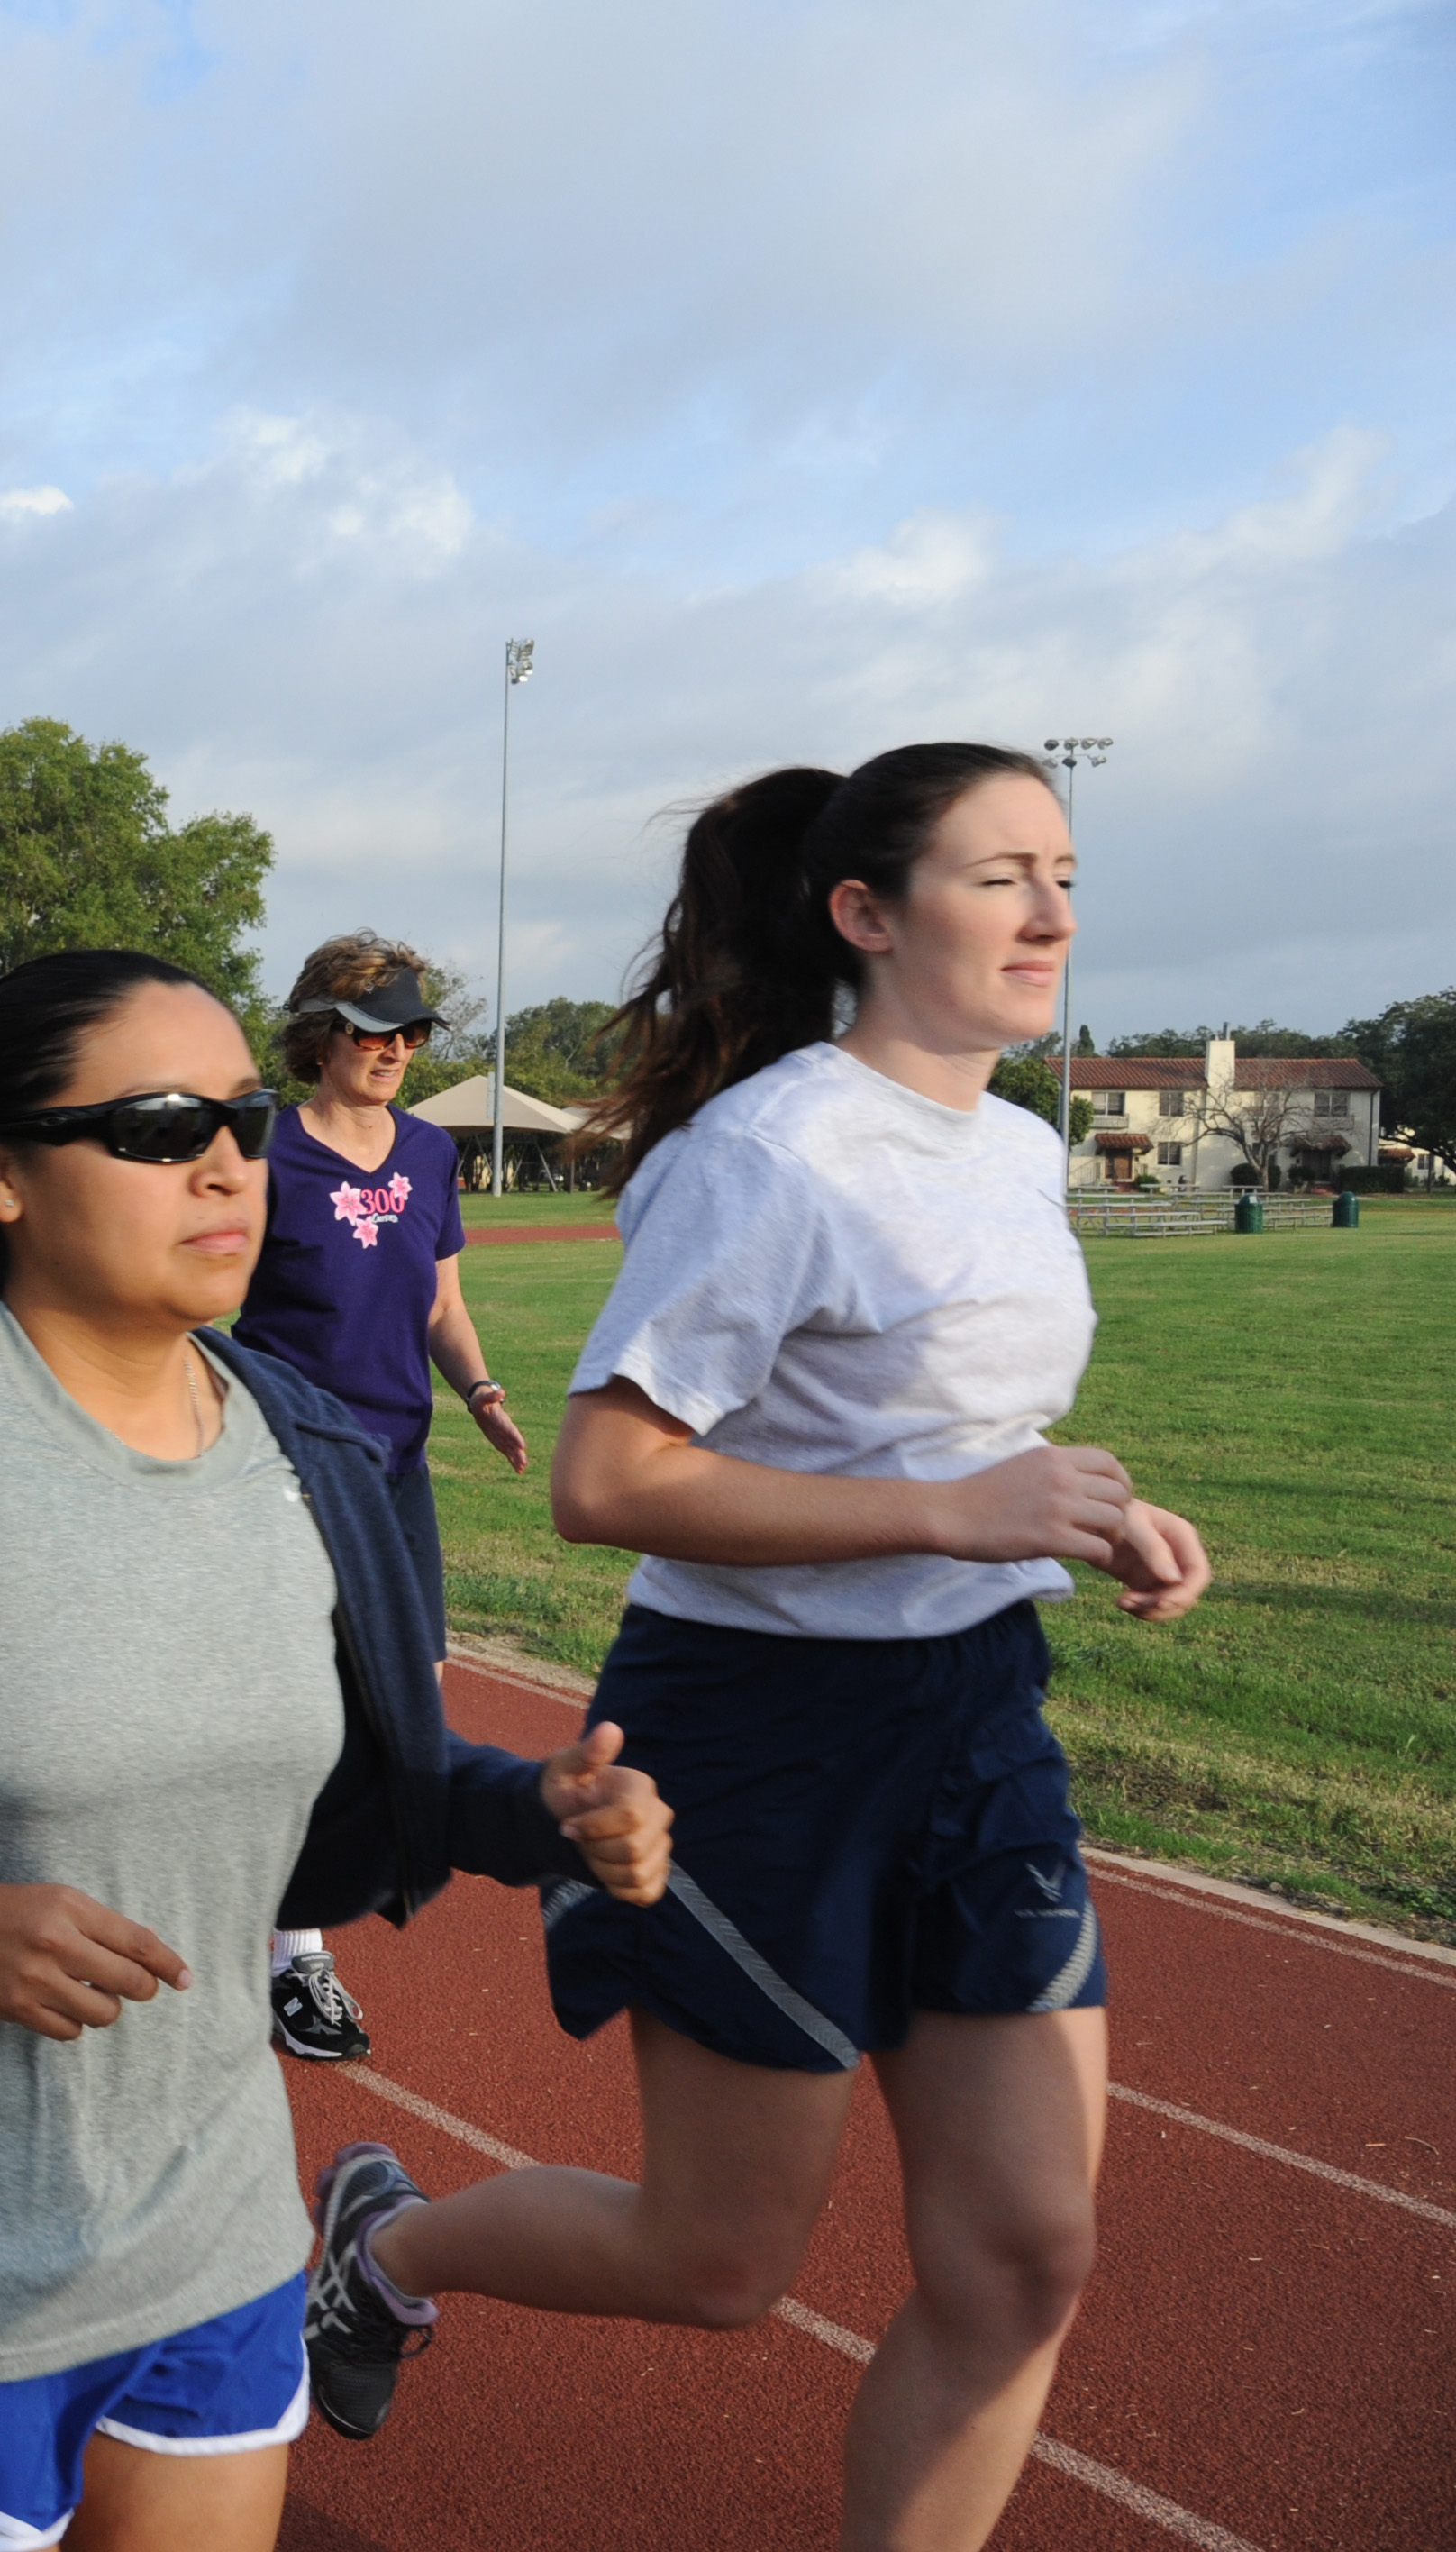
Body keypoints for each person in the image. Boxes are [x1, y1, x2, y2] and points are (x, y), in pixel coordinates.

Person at [0, 950, 670, 2552]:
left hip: (209, 2215)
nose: (227, 1158)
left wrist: (538, 1812)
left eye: (236, 1113)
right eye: (159, 1123)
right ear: (2, 1171)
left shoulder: (310, 1447)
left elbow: (352, 1785)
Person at [299, 749, 1212, 2551]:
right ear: (864, 916)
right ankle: (381, 2248)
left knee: (1025, 2255)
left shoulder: (1019, 1149)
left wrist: (1090, 1511)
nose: (1051, 913)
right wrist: (959, 1514)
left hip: (975, 1719)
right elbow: (606, 1476)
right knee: (717, 2261)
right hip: (755, 1740)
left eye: (1062, 870)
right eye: (998, 875)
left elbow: (932, 1437)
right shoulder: (768, 1155)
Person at [237, 936, 532, 2067]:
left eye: (412, 1033)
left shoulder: (425, 1151)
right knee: (312, 1707)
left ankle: (266, 1891)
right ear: (320, 1031)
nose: (396, 1051)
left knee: (412, 1695)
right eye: (375, 1032)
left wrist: (481, 1389)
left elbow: (439, 1302)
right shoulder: (262, 1149)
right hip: (289, 1470)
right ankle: (294, 1950)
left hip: (396, 1472)